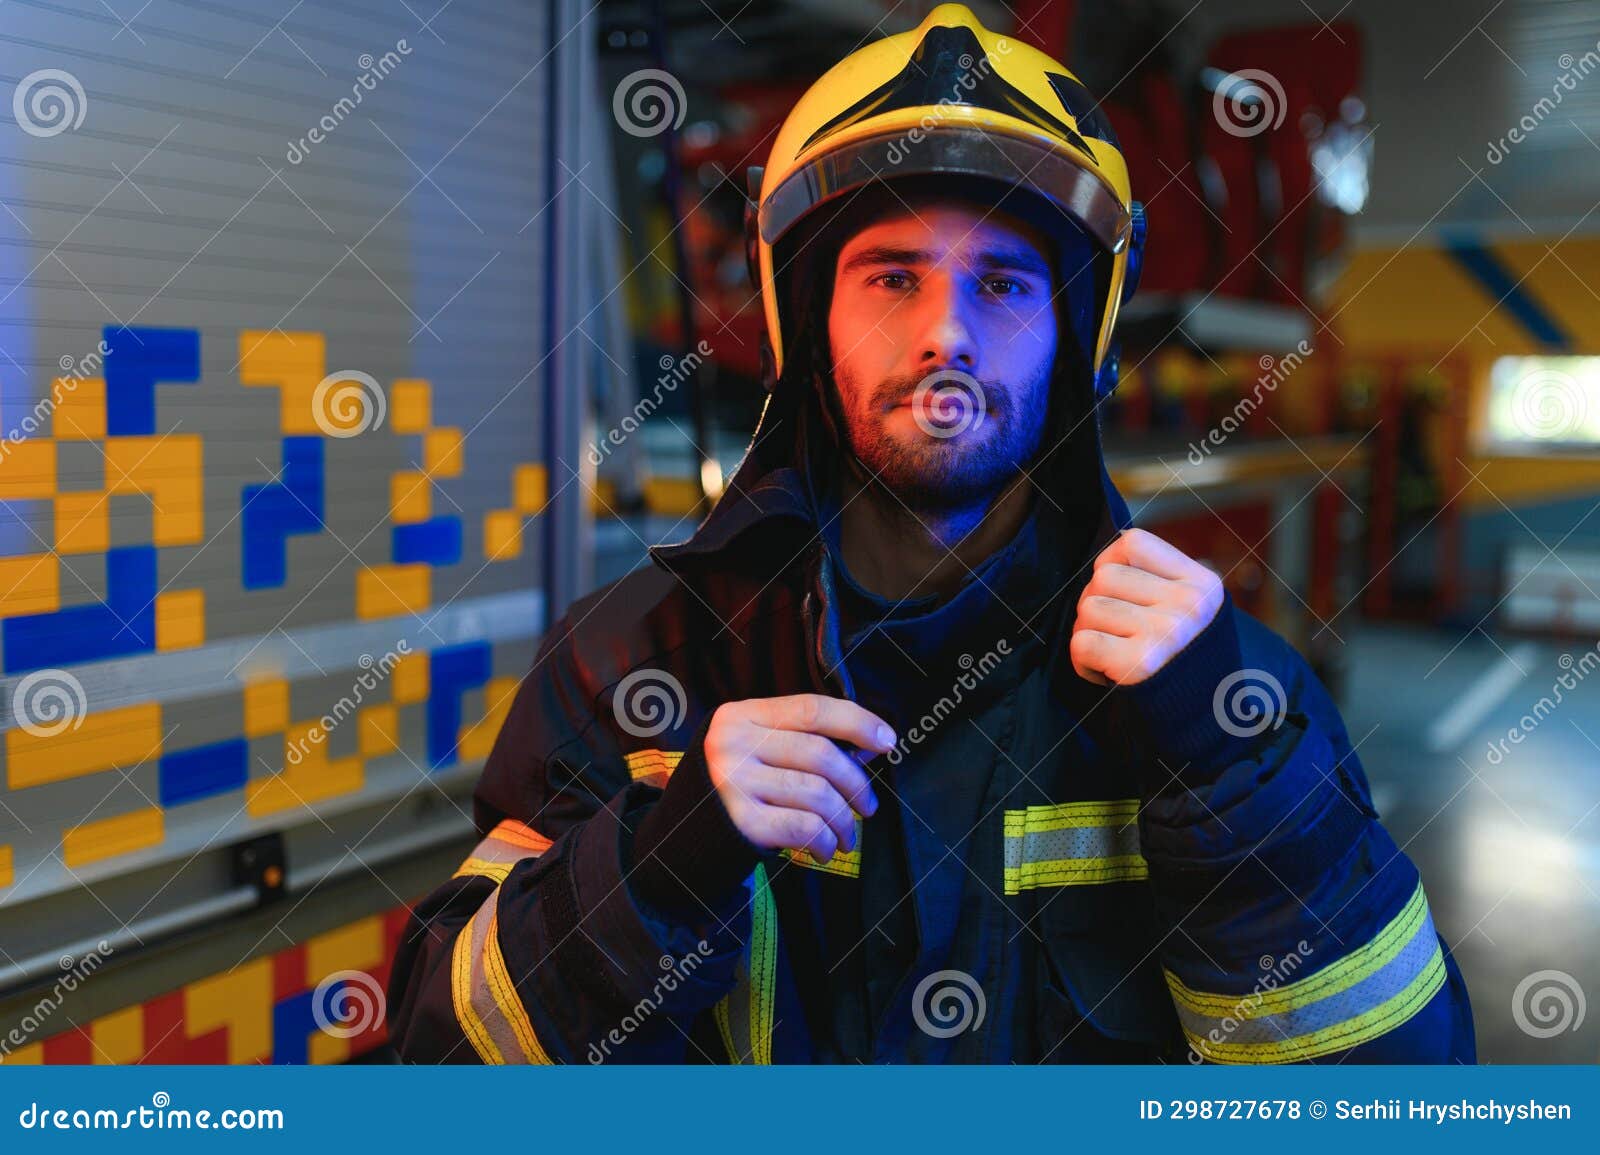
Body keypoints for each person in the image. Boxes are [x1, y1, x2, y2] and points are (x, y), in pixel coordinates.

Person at [386, 3, 1475, 1064]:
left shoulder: (1229, 697)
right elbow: (445, 1061)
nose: (946, 333)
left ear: (1075, 336)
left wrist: (1235, 777)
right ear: (807, 322)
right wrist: (659, 872)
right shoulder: (631, 669)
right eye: (893, 278)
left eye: (1002, 283)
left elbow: (1390, 1094)